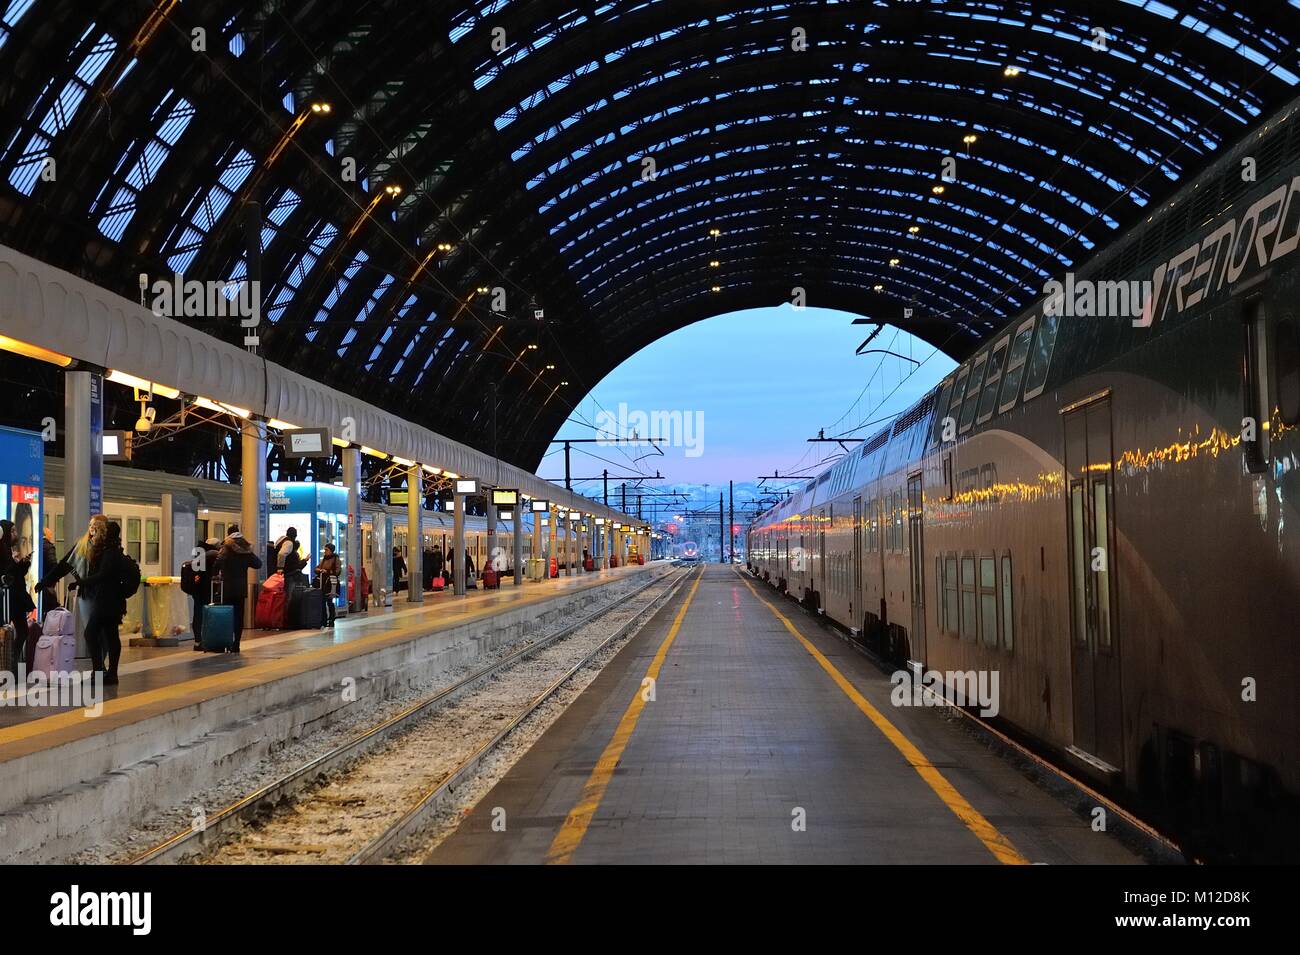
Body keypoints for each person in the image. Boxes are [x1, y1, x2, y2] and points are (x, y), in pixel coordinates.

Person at [76, 521, 130, 685]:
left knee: (91, 633)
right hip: (115, 601)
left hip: (105, 601)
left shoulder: (110, 553)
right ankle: (110, 674)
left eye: (104, 532)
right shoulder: (115, 551)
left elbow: (103, 575)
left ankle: (99, 671)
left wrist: (82, 582)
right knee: (111, 636)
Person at [215, 527, 262, 652]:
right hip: (241, 589)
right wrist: (248, 553)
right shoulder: (246, 551)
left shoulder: (226, 549)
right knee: (239, 617)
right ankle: (236, 644)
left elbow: (217, 564)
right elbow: (258, 564)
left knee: (227, 616)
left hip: (227, 588)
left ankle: (227, 642)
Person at [0, 520, 35, 678]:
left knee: (22, 631)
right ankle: (9, 665)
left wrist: (23, 564)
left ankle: (11, 662)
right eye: (12, 531)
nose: (16, 534)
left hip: (16, 598)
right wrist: (16, 564)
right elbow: (6, 573)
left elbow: (15, 573)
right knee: (14, 630)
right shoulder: (2, 551)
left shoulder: (9, 550)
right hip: (8, 599)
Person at [183, 538, 220, 649]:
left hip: (197, 589)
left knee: (198, 613)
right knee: (206, 614)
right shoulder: (213, 555)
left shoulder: (198, 552)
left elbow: (196, 571)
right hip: (207, 589)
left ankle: (198, 640)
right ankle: (206, 639)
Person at [314, 543, 341, 627]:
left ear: (331, 550)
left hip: (330, 584)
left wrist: (328, 571)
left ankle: (331, 619)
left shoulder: (335, 559)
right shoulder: (324, 559)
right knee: (322, 602)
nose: (325, 551)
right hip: (322, 583)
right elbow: (316, 568)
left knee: (329, 601)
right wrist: (319, 570)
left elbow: (338, 571)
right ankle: (324, 620)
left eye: (326, 550)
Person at [39, 526, 60, 613]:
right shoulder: (49, 547)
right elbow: (53, 564)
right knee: (49, 610)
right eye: (50, 534)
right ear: (45, 535)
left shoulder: (37, 545)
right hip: (47, 584)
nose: (51, 536)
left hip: (39, 582)